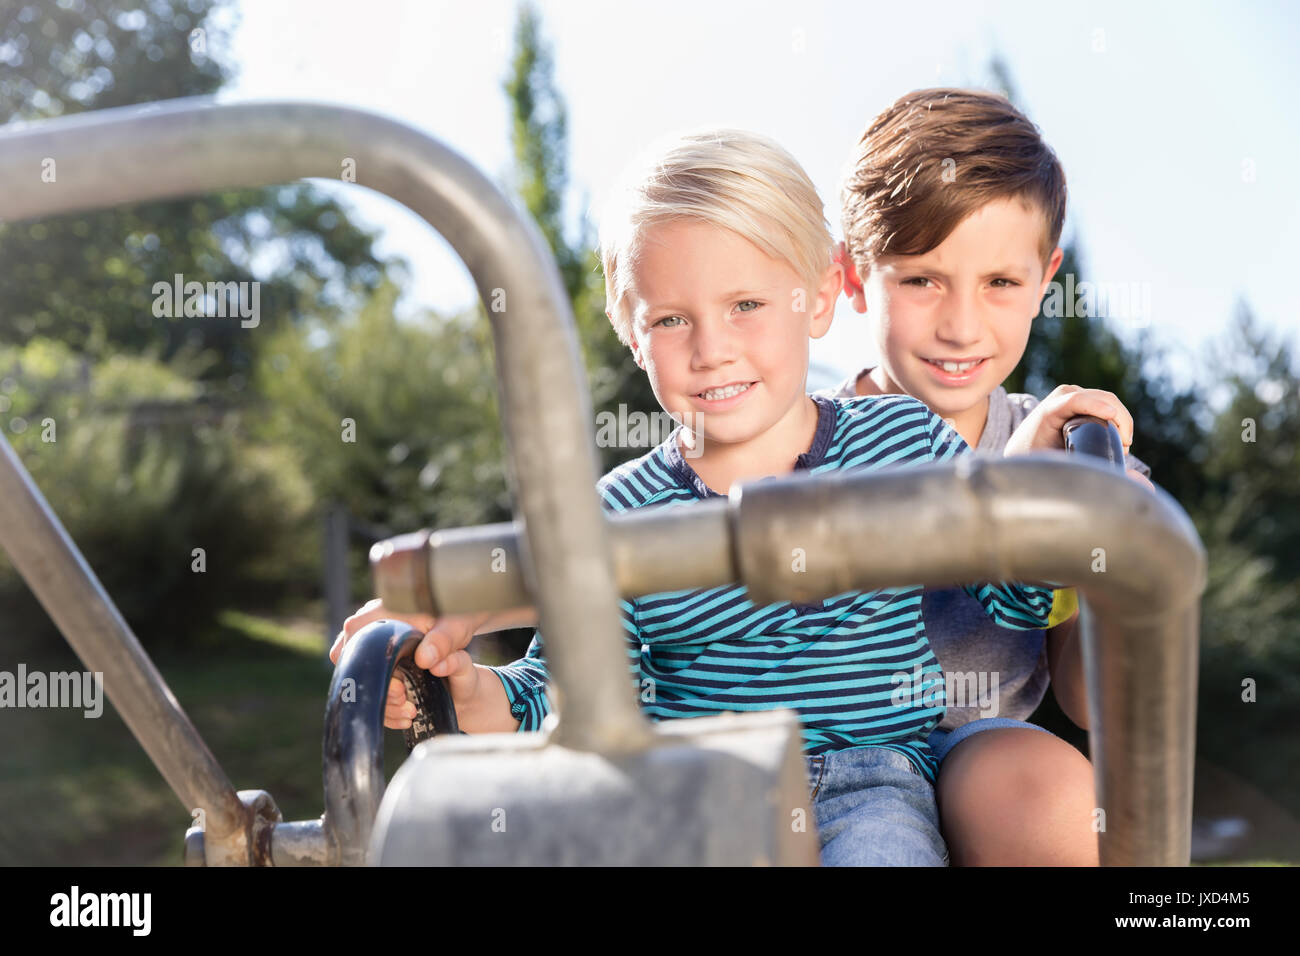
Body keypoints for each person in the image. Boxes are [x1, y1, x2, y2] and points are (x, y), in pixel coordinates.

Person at [333, 127, 1140, 866]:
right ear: (629, 329)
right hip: (696, 793)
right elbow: (569, 689)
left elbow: (1014, 593)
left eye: (747, 305)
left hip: (872, 781)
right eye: (672, 320)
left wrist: (1041, 494)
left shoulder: (902, 443)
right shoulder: (619, 511)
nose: (713, 349)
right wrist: (468, 691)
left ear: (820, 297)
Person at [823, 87, 1153, 865]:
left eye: (1001, 283)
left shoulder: (1074, 450)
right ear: (851, 276)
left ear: (1046, 278)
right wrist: (999, 496)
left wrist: (1105, 557)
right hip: (829, 752)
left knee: (1046, 791)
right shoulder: (796, 440)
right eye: (922, 280)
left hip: (979, 745)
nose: (962, 325)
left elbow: (1085, 699)